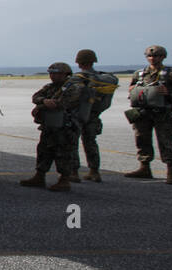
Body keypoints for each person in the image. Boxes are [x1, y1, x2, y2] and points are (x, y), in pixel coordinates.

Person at [124, 44, 172, 184]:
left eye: (156, 56)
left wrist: (169, 93)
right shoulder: (139, 74)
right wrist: (132, 90)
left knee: (166, 142)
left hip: (163, 113)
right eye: (150, 56)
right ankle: (144, 167)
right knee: (142, 140)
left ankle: (171, 170)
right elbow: (133, 88)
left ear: (163, 57)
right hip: (143, 114)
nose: (153, 58)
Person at [20, 62, 83, 191]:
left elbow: (62, 104)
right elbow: (36, 97)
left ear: (65, 74)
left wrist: (41, 105)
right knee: (44, 150)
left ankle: (64, 180)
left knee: (64, 153)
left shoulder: (74, 87)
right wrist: (43, 101)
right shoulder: (50, 87)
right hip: (50, 125)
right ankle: (40, 176)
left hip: (66, 127)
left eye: (56, 73)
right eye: (51, 73)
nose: (52, 76)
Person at [73, 49, 112, 182]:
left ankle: (73, 172)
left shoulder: (78, 78)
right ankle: (94, 171)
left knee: (72, 143)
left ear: (78, 63)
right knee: (90, 143)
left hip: (76, 115)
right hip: (93, 115)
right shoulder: (103, 79)